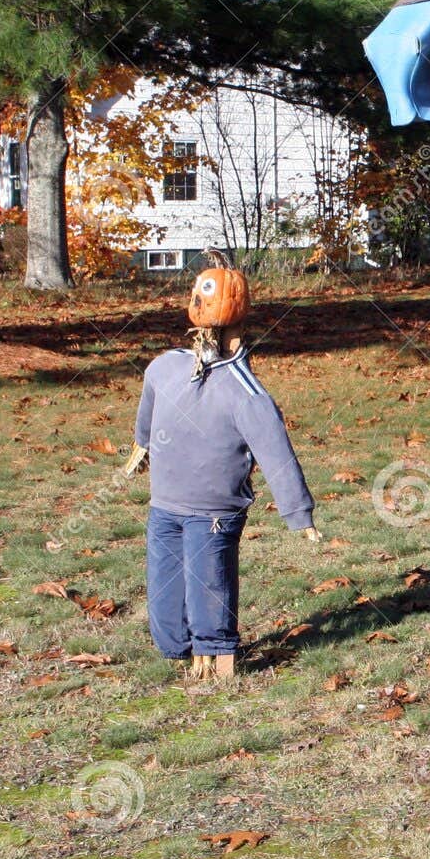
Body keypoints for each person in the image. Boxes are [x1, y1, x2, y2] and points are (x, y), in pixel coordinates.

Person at [130, 249, 318, 680]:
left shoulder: (244, 392)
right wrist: (142, 446)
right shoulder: (163, 369)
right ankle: (179, 649)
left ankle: (217, 655)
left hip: (214, 512)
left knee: (208, 584)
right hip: (165, 506)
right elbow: (147, 417)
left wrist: (298, 512)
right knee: (165, 594)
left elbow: (276, 453)